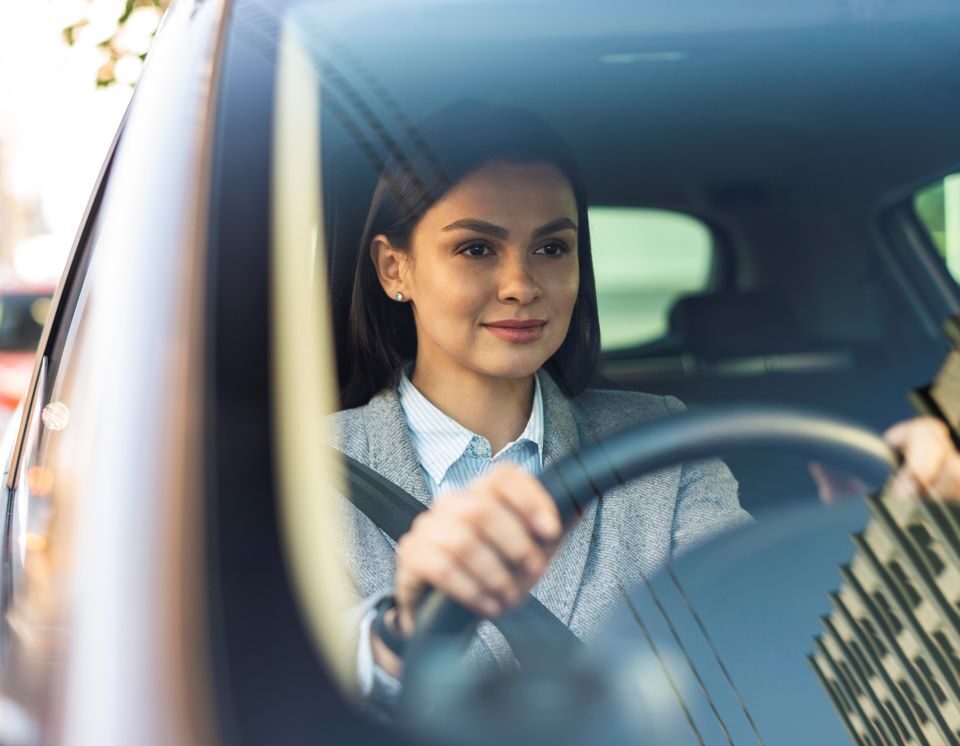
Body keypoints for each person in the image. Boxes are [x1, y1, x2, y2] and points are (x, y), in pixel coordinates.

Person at [327, 103, 960, 706]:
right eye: (476, 248)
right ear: (394, 270)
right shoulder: (308, 470)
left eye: (552, 248)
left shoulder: (662, 439)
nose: (521, 285)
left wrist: (875, 540)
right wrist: (397, 637)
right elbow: (278, 703)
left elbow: (757, 639)